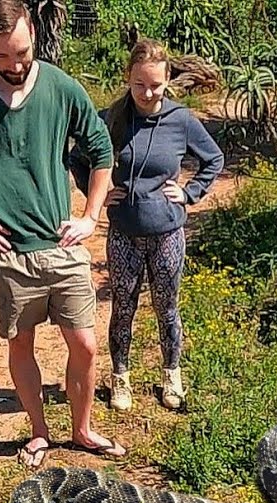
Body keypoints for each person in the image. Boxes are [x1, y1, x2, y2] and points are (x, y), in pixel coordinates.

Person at [0, 0, 126, 468]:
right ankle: (39, 432)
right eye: (2, 56)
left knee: (84, 343)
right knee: (20, 343)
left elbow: (101, 151)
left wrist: (90, 216)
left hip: (62, 246)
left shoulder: (62, 88)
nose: (14, 65)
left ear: (34, 35)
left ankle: (82, 429)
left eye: (22, 52)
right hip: (9, 257)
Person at [72, 39, 224, 411]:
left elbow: (213, 159)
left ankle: (172, 374)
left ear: (168, 78)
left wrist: (189, 194)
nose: (147, 92)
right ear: (128, 77)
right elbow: (78, 157)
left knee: (166, 308)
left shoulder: (181, 120)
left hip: (167, 234)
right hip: (123, 233)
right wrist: (99, 194)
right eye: (139, 84)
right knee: (123, 307)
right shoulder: (111, 118)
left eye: (155, 84)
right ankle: (120, 378)